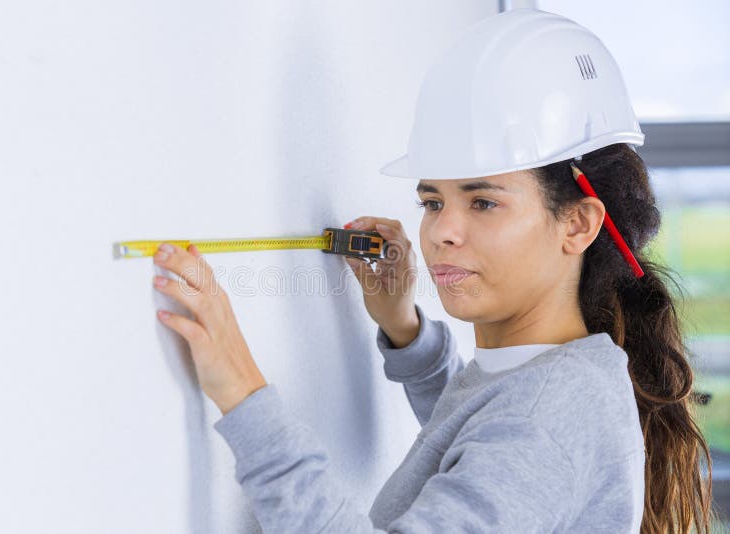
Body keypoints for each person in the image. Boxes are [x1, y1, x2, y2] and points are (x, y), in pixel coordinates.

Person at [156, 8, 716, 534]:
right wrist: (406, 330)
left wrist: (241, 389)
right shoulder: (549, 376)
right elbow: (484, 428)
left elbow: (520, 434)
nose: (441, 232)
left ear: (577, 224)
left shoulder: (551, 414)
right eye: (431, 202)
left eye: (483, 202)